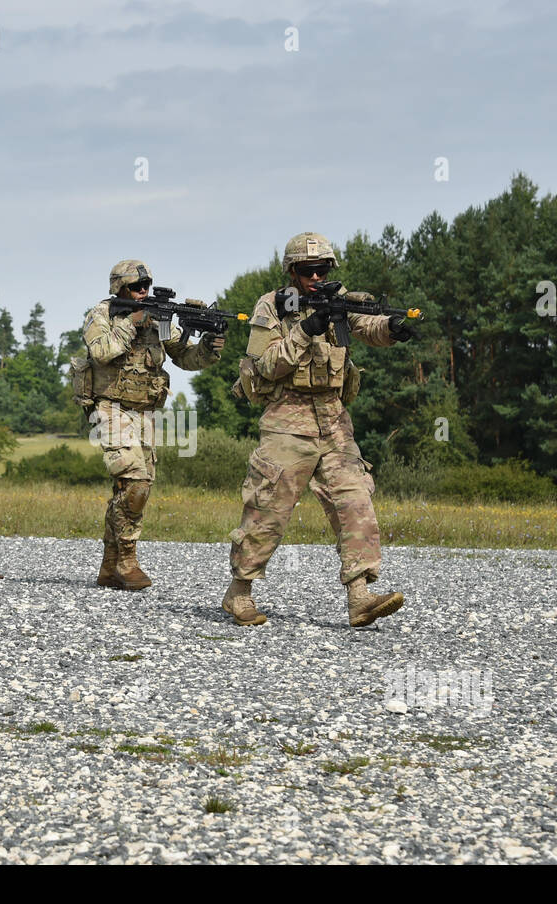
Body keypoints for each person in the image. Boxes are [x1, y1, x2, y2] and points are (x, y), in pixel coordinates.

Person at [223, 232, 415, 627]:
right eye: (308, 270)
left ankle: (360, 595)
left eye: (322, 269)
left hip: (333, 417)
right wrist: (306, 328)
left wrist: (393, 328)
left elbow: (367, 324)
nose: (316, 277)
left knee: (355, 496)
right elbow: (265, 365)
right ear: (292, 272)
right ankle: (239, 591)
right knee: (268, 507)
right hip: (286, 419)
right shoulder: (271, 306)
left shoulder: (338, 299)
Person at [82, 260, 223, 589]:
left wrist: (209, 347)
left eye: (146, 286)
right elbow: (102, 352)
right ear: (120, 289)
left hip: (146, 414)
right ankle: (127, 561)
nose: (143, 292)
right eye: (136, 287)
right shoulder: (101, 315)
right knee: (136, 484)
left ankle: (108, 567)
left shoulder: (158, 320)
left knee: (128, 489)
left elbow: (185, 357)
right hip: (111, 408)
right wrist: (133, 322)